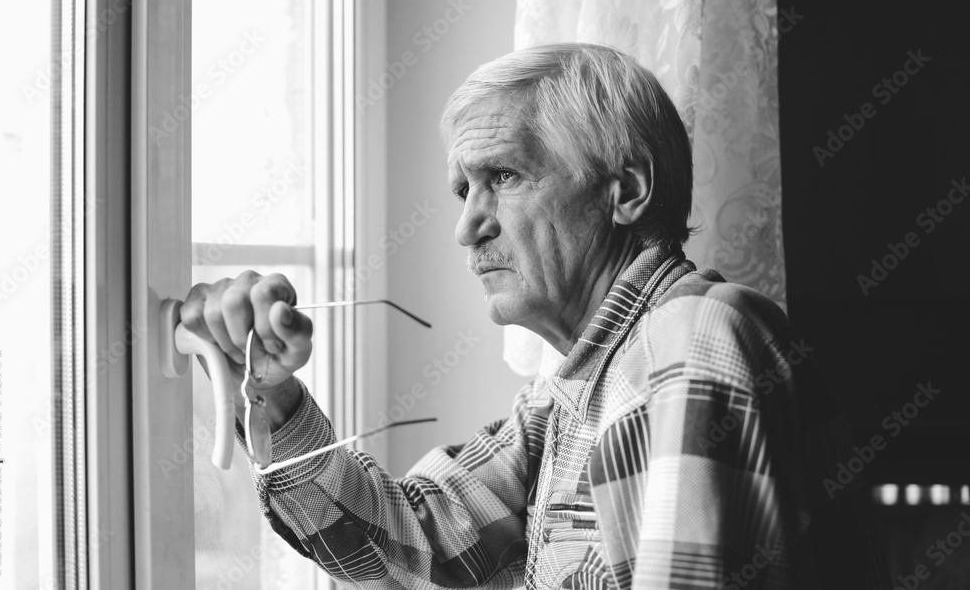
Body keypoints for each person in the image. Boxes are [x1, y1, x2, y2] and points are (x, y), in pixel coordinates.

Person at [180, 43, 887, 589]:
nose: (466, 225)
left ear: (627, 189)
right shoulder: (567, 396)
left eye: (504, 177)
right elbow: (403, 543)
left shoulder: (695, 340)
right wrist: (270, 388)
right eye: (463, 188)